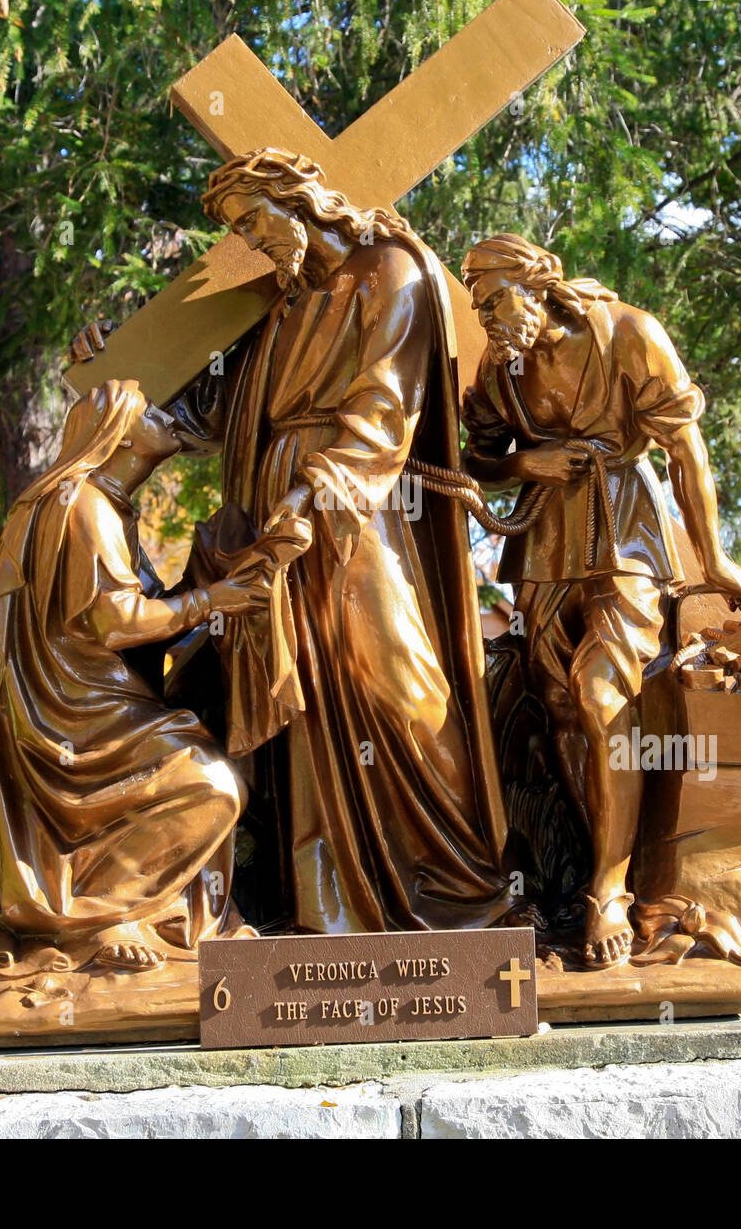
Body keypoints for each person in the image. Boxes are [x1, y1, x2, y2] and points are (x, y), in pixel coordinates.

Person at [74, 149, 512, 935]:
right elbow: (212, 417)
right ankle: (326, 906)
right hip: (275, 511)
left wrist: (312, 497)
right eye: (237, 230)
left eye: (253, 221)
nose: (251, 241)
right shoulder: (278, 308)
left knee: (397, 679)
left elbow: (384, 409)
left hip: (354, 507)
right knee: (302, 699)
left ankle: (462, 876)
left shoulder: (392, 270)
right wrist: (120, 369)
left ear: (296, 199)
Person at [459, 234, 741, 967]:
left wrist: (716, 558)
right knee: (560, 709)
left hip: (627, 531)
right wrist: (521, 462)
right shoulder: (500, 367)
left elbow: (686, 452)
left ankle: (610, 889)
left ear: (539, 282)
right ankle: (576, 877)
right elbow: (471, 451)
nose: (492, 319)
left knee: (602, 693)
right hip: (544, 546)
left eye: (499, 299)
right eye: (480, 308)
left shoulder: (629, 334)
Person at [0, 379, 267, 981]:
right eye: (149, 409)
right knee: (211, 784)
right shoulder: (84, 505)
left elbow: (132, 619)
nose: (167, 416)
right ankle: (101, 916)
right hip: (75, 712)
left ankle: (157, 910)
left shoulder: (104, 503)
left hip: (95, 698)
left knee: (224, 765)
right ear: (115, 432)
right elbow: (118, 623)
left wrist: (208, 579)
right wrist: (213, 598)